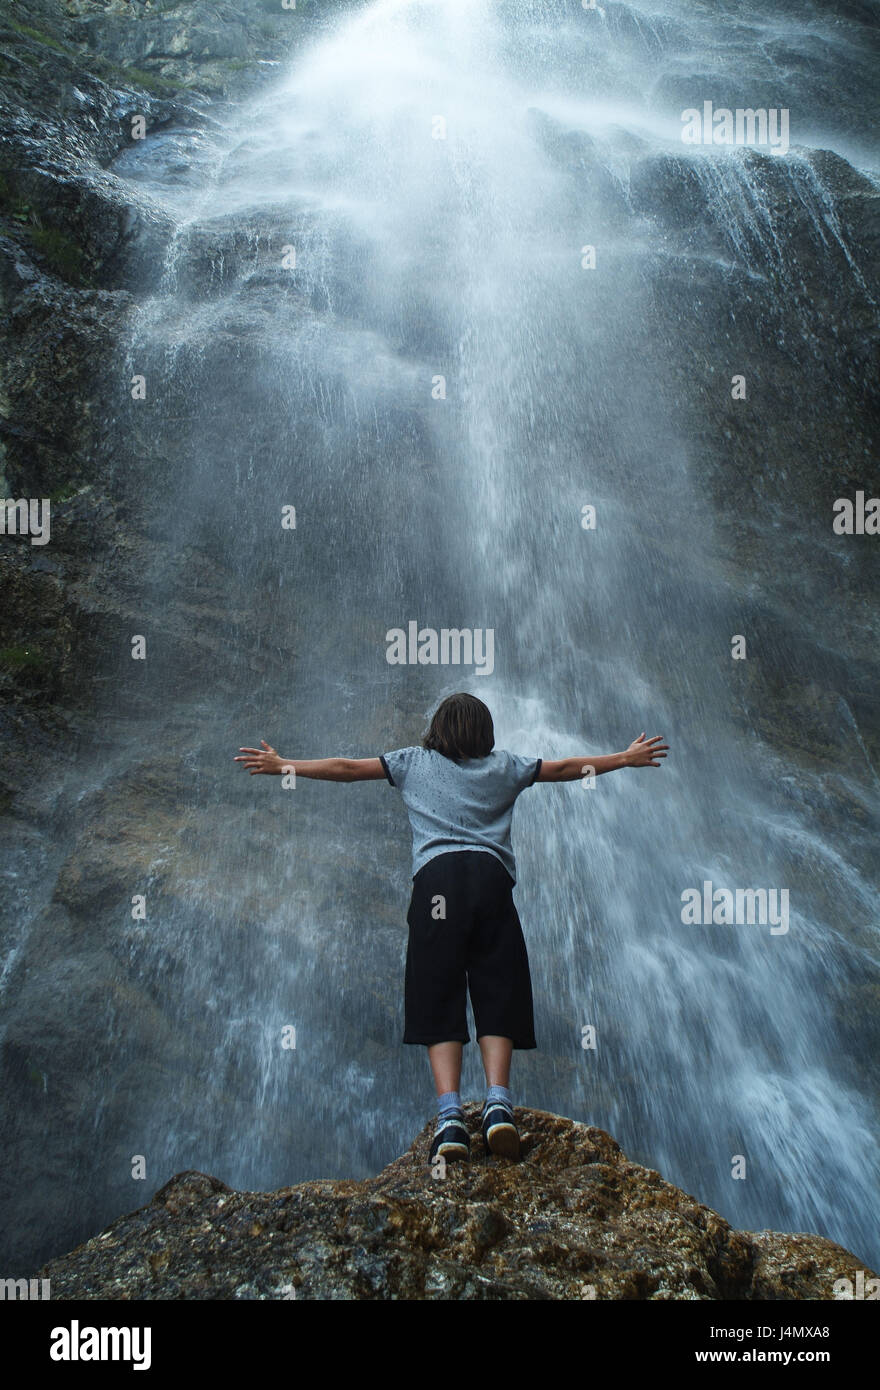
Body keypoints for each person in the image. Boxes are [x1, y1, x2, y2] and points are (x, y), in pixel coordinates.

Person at [234, 692, 669, 1166]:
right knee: (497, 986)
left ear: (437, 728)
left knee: (437, 990)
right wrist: (626, 759)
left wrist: (284, 766)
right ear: (486, 732)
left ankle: (450, 1118)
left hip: (438, 885)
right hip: (490, 881)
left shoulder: (412, 762)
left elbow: (346, 769)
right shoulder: (506, 767)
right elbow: (565, 769)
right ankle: (498, 1102)